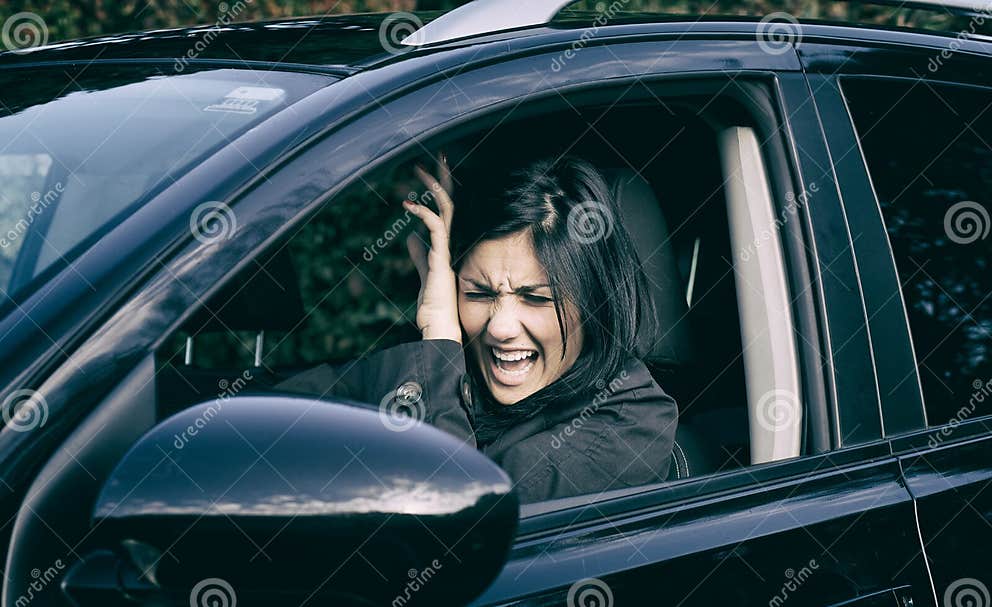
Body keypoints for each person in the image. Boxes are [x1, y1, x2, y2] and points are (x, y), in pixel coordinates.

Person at [273, 153, 678, 504]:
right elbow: (274, 423)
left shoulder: (628, 425)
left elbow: (454, 531)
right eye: (479, 294)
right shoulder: (449, 364)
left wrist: (439, 340)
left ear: (595, 305)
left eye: (536, 299)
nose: (500, 328)